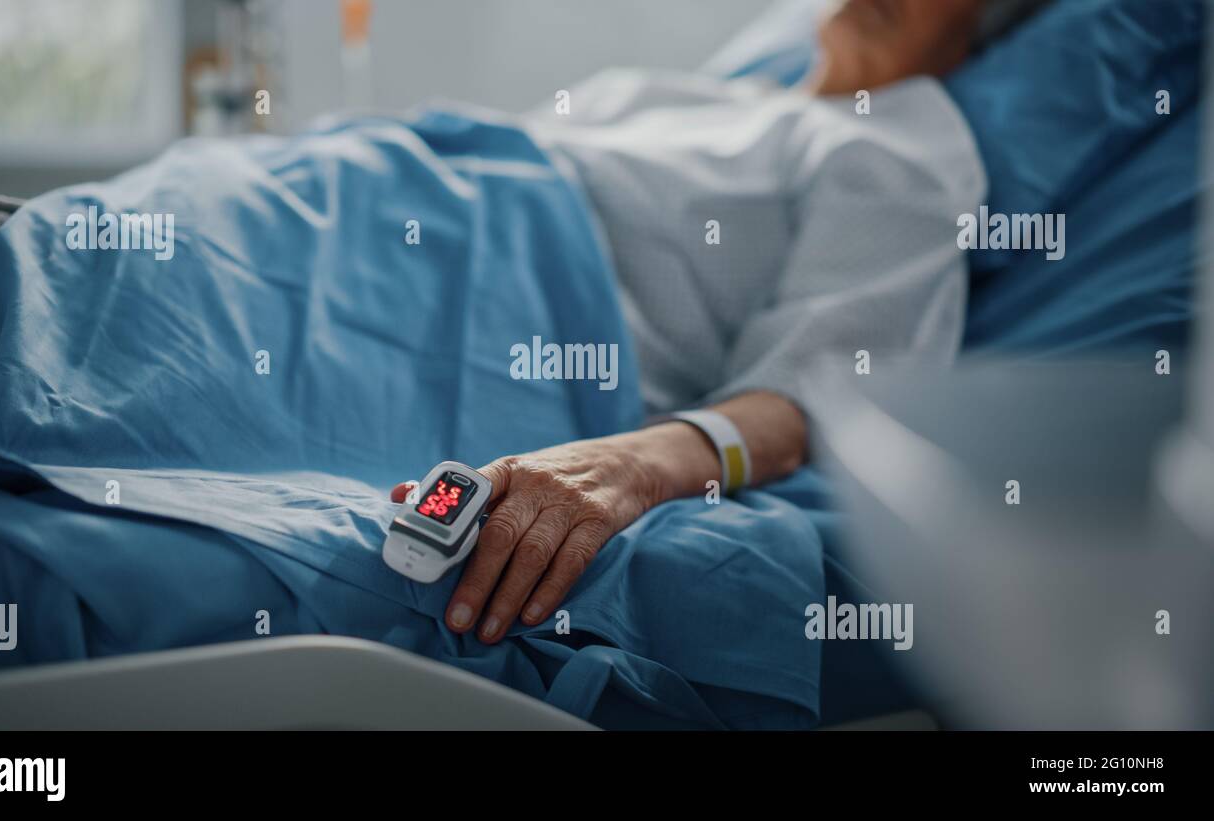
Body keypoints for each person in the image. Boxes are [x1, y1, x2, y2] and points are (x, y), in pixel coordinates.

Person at [389, 0, 990, 643]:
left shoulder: (899, 153)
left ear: (986, 25)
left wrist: (633, 466)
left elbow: (809, 399)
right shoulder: (664, 94)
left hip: (469, 309)